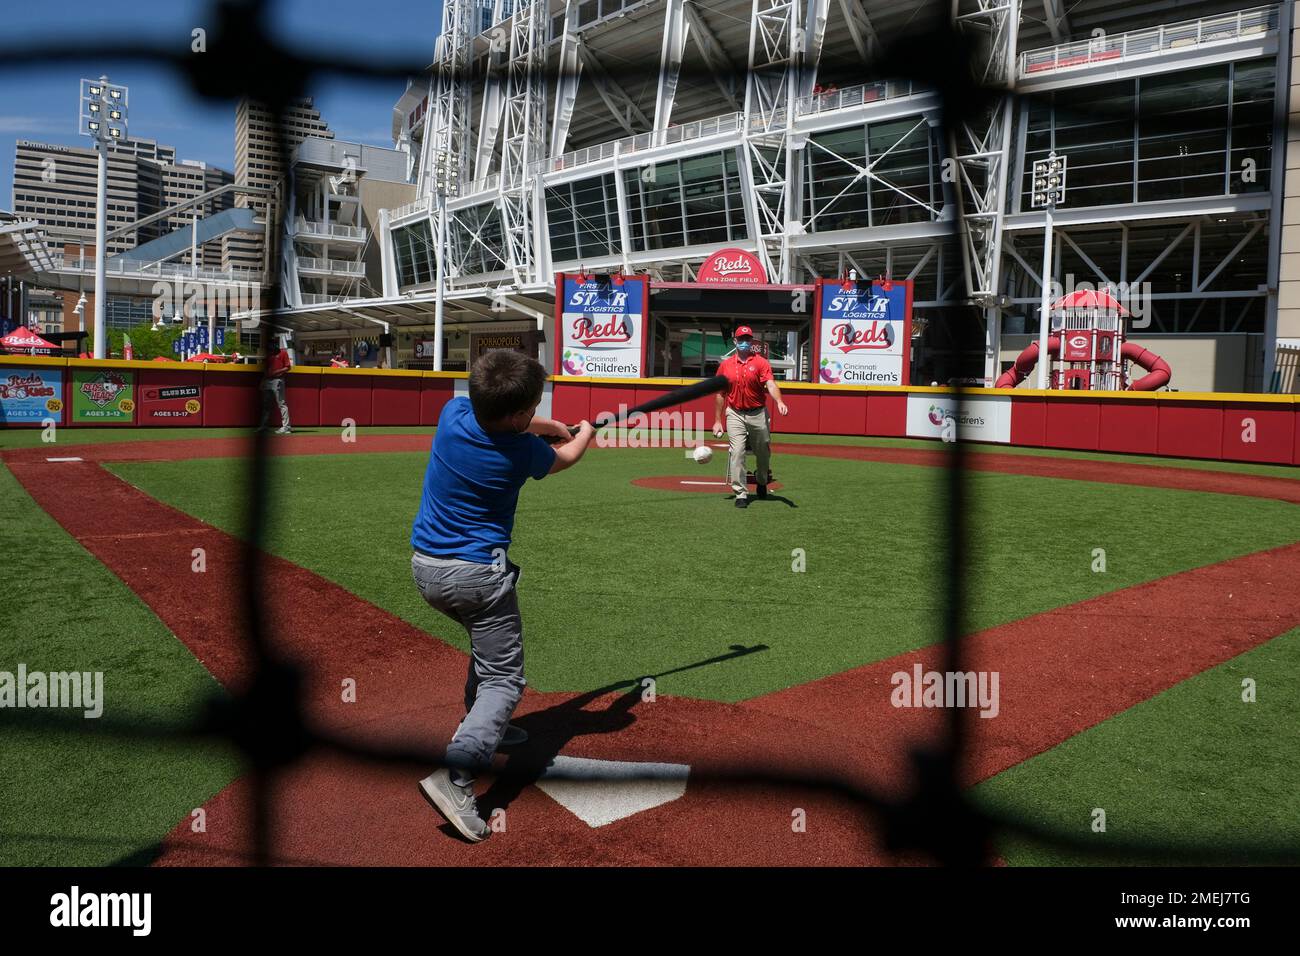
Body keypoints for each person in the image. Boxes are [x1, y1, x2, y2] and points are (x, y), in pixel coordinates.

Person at [412, 349, 594, 842]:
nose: (535, 415)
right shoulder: (521, 452)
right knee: (505, 679)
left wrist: (550, 424)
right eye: (532, 408)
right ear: (518, 415)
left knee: (484, 643)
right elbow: (567, 458)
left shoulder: (454, 414)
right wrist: (584, 435)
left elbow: (527, 427)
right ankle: (457, 775)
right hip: (476, 578)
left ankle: (482, 722)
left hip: (427, 569)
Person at [711, 325, 788, 508]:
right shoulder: (726, 365)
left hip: (757, 413)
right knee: (737, 452)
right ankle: (741, 494)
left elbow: (770, 384)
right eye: (741, 339)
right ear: (735, 341)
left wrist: (779, 401)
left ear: (751, 341)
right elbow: (720, 394)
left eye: (748, 339)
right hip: (735, 413)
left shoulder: (761, 362)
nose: (745, 342)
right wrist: (717, 421)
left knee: (762, 453)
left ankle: (761, 481)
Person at [259, 337, 292, 434]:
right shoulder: (268, 354)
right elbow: (265, 370)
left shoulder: (282, 353)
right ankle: (264, 426)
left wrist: (278, 371)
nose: (271, 346)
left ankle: (286, 427)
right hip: (268, 380)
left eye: (273, 344)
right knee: (266, 404)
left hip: (278, 380)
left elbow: (288, 367)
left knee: (281, 403)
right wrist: (262, 382)